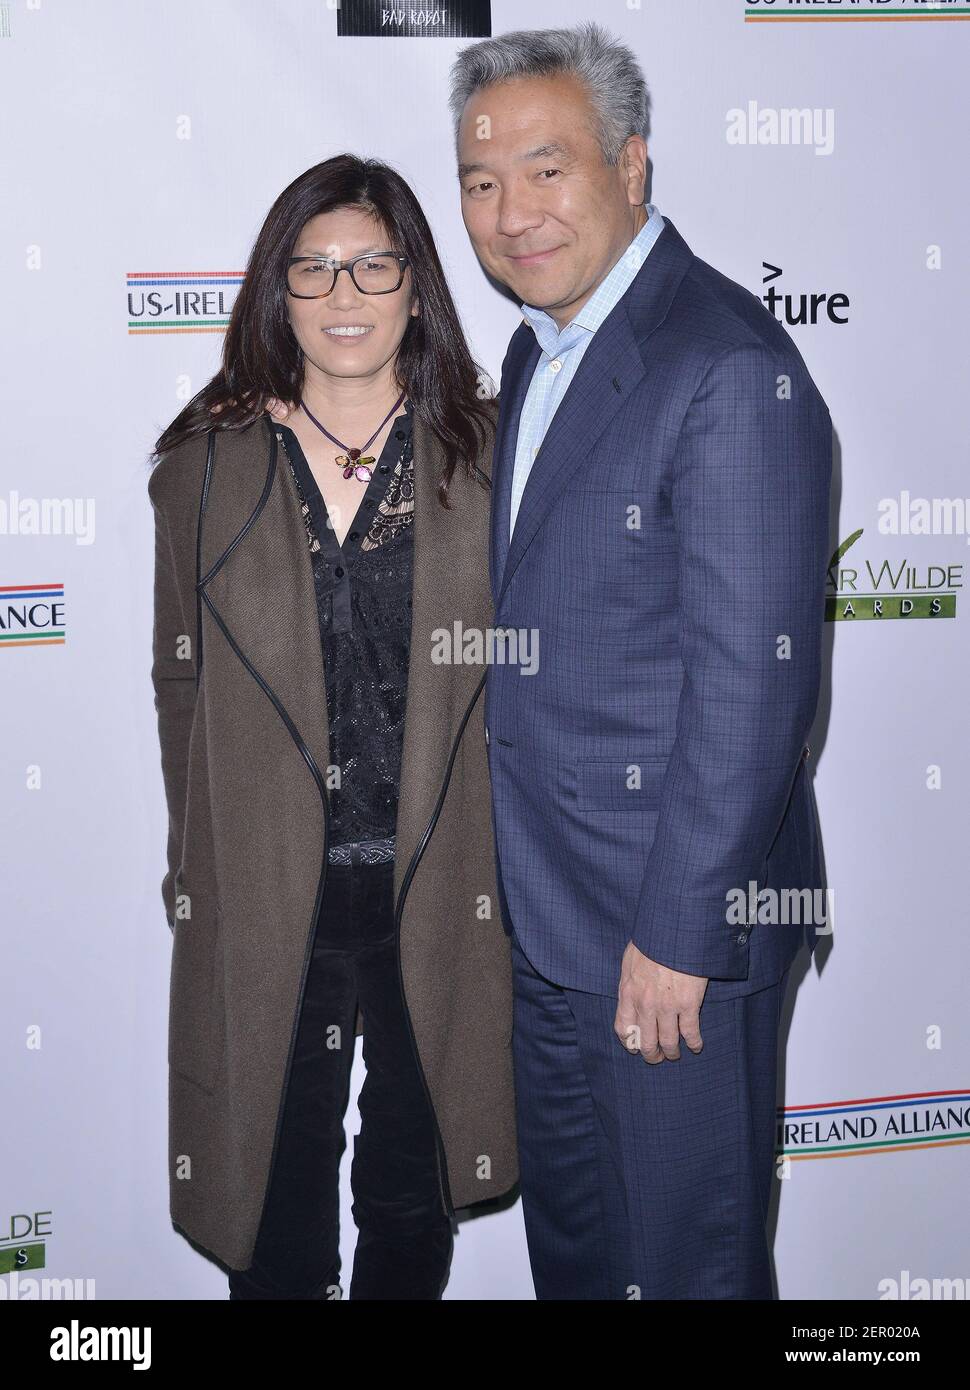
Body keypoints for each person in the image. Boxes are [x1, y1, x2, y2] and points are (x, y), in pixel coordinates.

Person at [449, 22, 831, 1299]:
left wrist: (675, 936)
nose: (512, 213)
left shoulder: (722, 366)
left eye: (547, 170)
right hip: (554, 928)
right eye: (482, 180)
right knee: (582, 1264)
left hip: (671, 946)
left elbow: (754, 690)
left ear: (633, 166)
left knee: (682, 1273)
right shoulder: (537, 345)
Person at [147, 154, 516, 1299]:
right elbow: (181, 690)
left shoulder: (497, 455)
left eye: (371, 264)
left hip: (443, 888)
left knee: (411, 1200)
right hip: (275, 897)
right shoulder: (203, 471)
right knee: (276, 1207)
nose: (343, 293)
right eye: (311, 269)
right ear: (276, 291)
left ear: (416, 284)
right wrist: (193, 865)